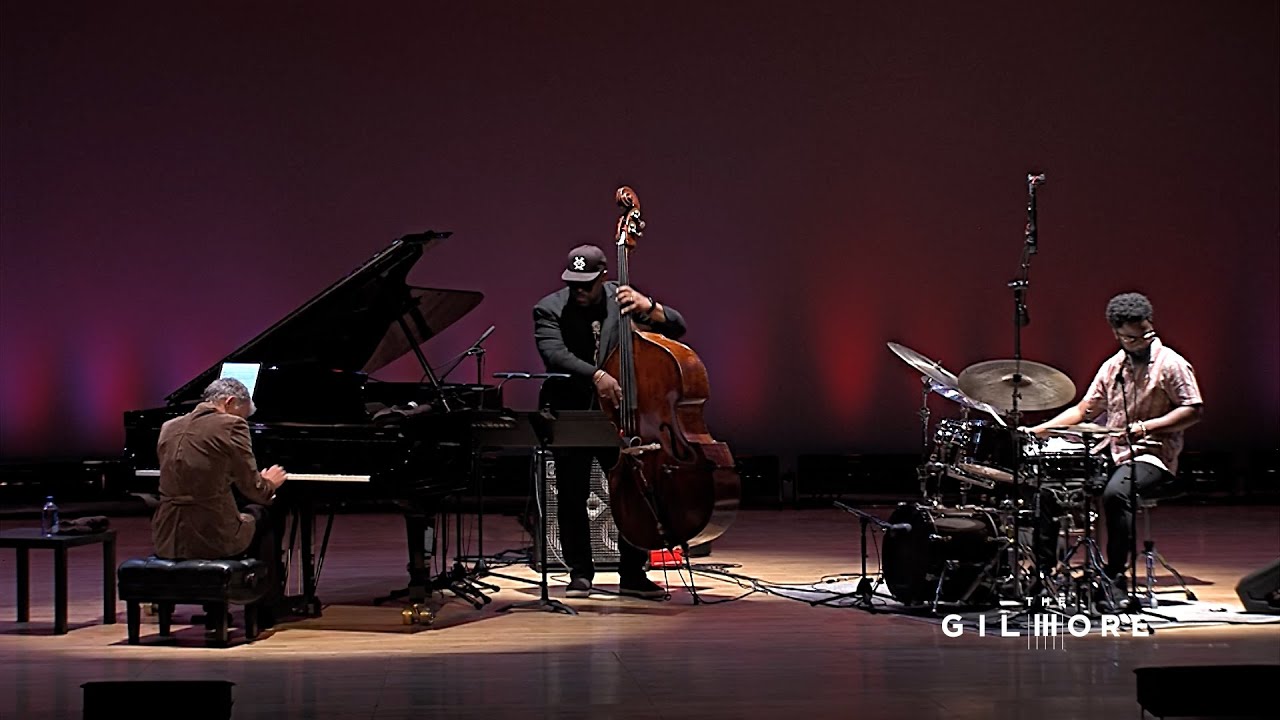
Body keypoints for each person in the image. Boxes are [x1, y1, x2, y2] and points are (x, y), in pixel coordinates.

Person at [533, 243, 688, 599]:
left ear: (603, 276)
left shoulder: (624, 300)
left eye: (586, 283)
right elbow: (555, 354)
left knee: (632, 492)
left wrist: (652, 308)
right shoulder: (548, 309)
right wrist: (597, 375)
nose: (579, 290)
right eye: (573, 283)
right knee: (571, 494)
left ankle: (633, 574)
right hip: (572, 412)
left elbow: (678, 327)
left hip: (623, 416)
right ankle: (580, 572)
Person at [1027, 291, 1203, 586]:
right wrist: (1043, 428)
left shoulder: (1171, 364)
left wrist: (1147, 427)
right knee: (1048, 487)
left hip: (1152, 455)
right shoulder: (1113, 367)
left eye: (1146, 334)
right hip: (1111, 451)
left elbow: (1193, 409)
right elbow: (1086, 409)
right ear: (1117, 334)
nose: (1142, 342)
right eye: (1131, 338)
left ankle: (1116, 572)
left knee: (1115, 494)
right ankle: (1043, 571)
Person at [152, 377, 290, 624]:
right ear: (230, 402)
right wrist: (270, 482)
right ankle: (264, 606)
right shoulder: (231, 426)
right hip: (212, 535)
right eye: (243, 415)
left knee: (234, 510)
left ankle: (213, 604)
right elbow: (254, 488)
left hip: (167, 536)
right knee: (264, 514)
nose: (243, 421)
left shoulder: (168, 426)